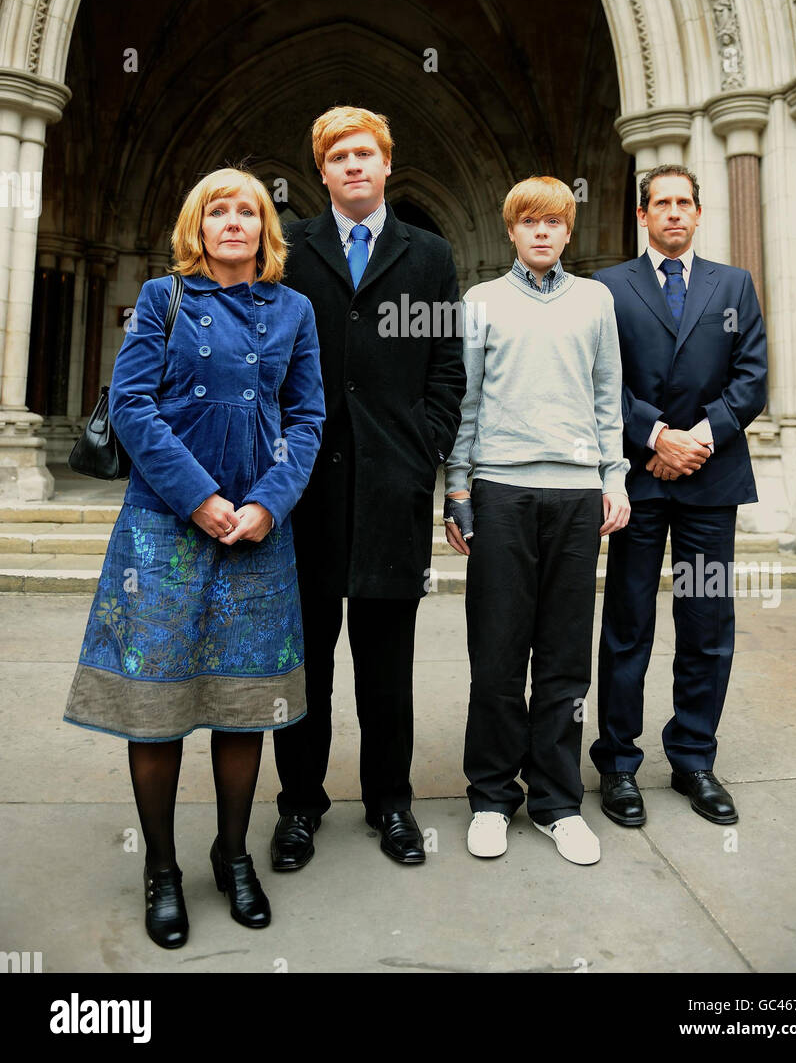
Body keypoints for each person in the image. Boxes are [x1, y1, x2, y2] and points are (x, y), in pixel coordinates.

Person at [64, 167, 325, 948]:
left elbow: (308, 417)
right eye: (219, 210)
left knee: (244, 702)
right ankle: (163, 871)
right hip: (163, 532)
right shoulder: (162, 298)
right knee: (158, 705)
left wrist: (265, 504)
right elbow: (133, 403)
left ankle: (232, 854)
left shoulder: (295, 310)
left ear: (265, 229)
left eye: (248, 210)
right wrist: (201, 497)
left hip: (257, 533)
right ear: (198, 226)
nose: (234, 221)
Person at [271, 106, 466, 868]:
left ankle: (391, 803)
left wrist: (427, 450)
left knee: (387, 666)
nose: (354, 166)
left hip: (394, 488)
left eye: (366, 154)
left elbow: (446, 365)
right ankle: (299, 807)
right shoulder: (288, 251)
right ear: (322, 172)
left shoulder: (429, 256)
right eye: (339, 156)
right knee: (305, 663)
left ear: (388, 165)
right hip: (305, 490)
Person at [443, 177, 630, 865]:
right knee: (495, 655)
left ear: (568, 230)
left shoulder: (596, 301)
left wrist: (615, 478)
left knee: (563, 659)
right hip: (501, 493)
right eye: (529, 222)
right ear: (512, 231)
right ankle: (491, 796)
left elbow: (608, 396)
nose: (542, 232)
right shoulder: (482, 302)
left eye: (554, 222)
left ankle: (555, 801)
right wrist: (457, 490)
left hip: (577, 496)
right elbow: (464, 404)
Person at [589, 165, 768, 828]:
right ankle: (617, 763)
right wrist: (656, 437)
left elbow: (752, 379)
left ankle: (694, 757)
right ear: (643, 215)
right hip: (636, 485)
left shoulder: (735, 285)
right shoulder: (609, 287)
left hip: (711, 486)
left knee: (706, 625)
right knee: (627, 625)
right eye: (659, 203)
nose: (671, 213)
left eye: (682, 203)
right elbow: (603, 379)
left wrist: (697, 439)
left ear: (698, 212)